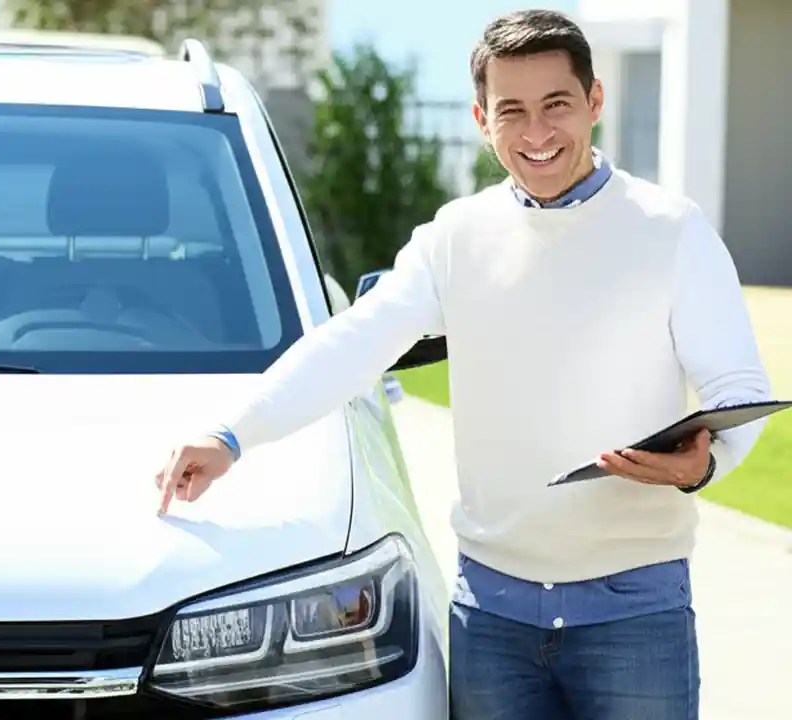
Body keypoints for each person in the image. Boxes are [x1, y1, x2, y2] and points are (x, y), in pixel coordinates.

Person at [154, 9, 772, 719]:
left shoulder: (672, 229)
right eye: (512, 111)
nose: (536, 133)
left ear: (594, 101)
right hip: (494, 616)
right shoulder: (456, 237)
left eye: (556, 105)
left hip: (635, 609)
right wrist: (232, 434)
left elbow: (738, 390)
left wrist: (702, 466)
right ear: (482, 119)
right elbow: (353, 342)